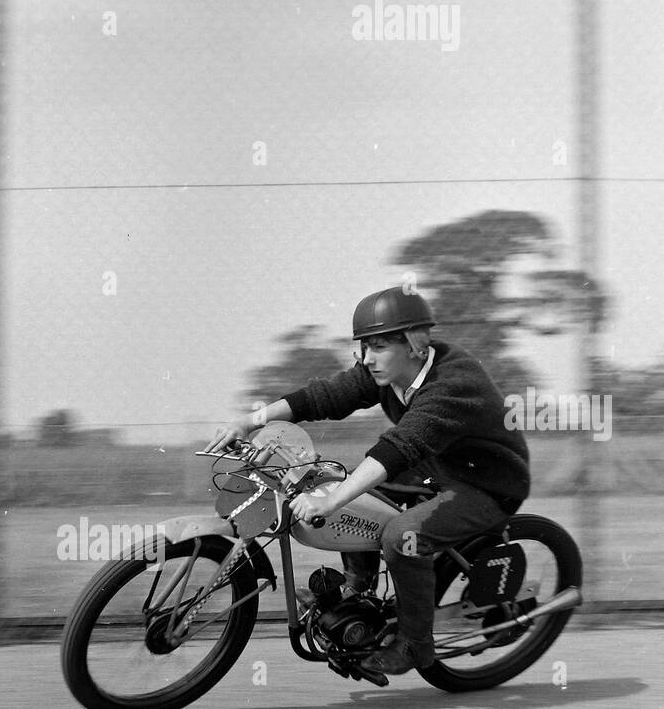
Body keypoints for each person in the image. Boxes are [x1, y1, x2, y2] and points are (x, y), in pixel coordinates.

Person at [204, 286, 530, 675]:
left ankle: (413, 645)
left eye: (378, 347)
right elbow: (323, 397)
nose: (367, 358)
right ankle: (357, 591)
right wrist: (249, 421)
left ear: (413, 344)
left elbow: (399, 447)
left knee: (400, 539)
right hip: (436, 467)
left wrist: (333, 500)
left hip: (486, 485)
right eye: (364, 347)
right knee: (348, 491)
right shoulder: (383, 373)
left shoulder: (453, 384)